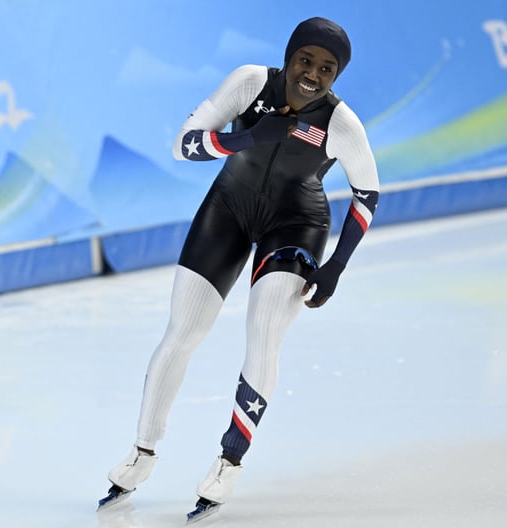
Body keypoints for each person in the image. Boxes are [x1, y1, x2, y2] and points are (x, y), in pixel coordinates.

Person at [99, 16, 379, 522]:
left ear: (337, 75)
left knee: (264, 332)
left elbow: (368, 194)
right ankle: (142, 451)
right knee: (183, 332)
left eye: (327, 69)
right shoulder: (250, 83)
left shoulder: (341, 124)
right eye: (305, 60)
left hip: (296, 224)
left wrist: (337, 265)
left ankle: (230, 460)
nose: (313, 75)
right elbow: (184, 144)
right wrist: (246, 139)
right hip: (228, 207)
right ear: (288, 57)